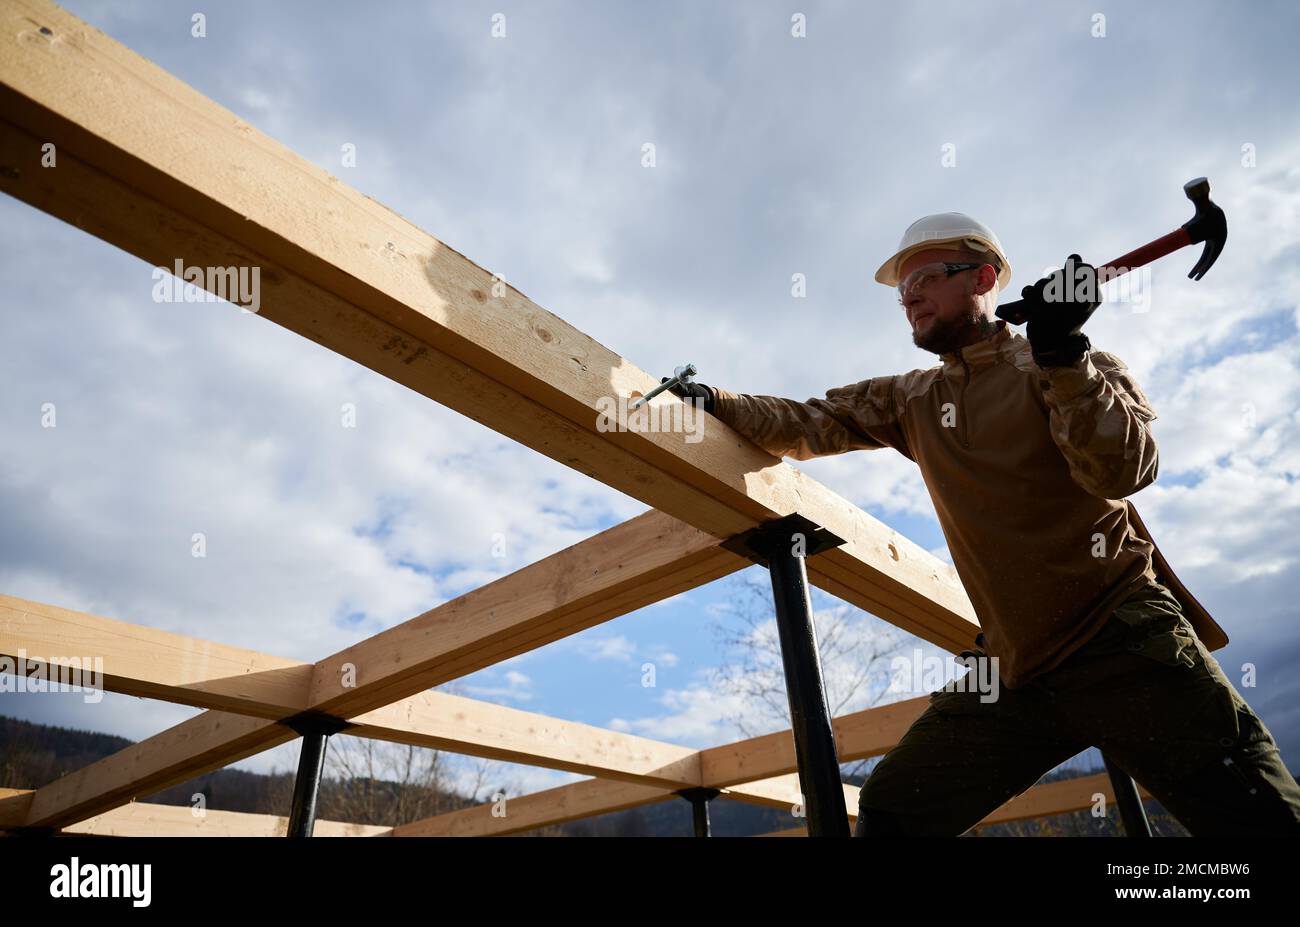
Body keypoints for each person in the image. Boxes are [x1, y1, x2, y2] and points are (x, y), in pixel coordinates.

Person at [668, 213, 1300, 836]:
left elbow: (1122, 471)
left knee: (1261, 822)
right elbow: (808, 419)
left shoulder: (1070, 365)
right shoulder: (911, 398)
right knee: (893, 811)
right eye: (900, 289)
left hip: (1125, 644)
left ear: (984, 277)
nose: (909, 294)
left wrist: (1062, 356)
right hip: (1016, 675)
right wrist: (715, 403)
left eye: (927, 277)